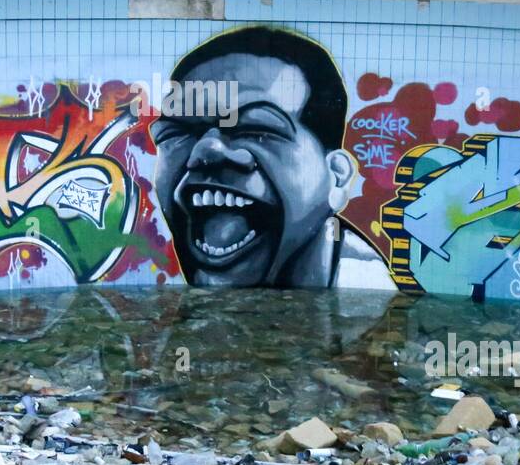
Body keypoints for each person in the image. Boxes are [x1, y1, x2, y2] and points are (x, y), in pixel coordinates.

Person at [150, 26, 392, 289]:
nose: (205, 150)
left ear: (337, 178)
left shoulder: (374, 317)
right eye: (178, 133)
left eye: (257, 129)